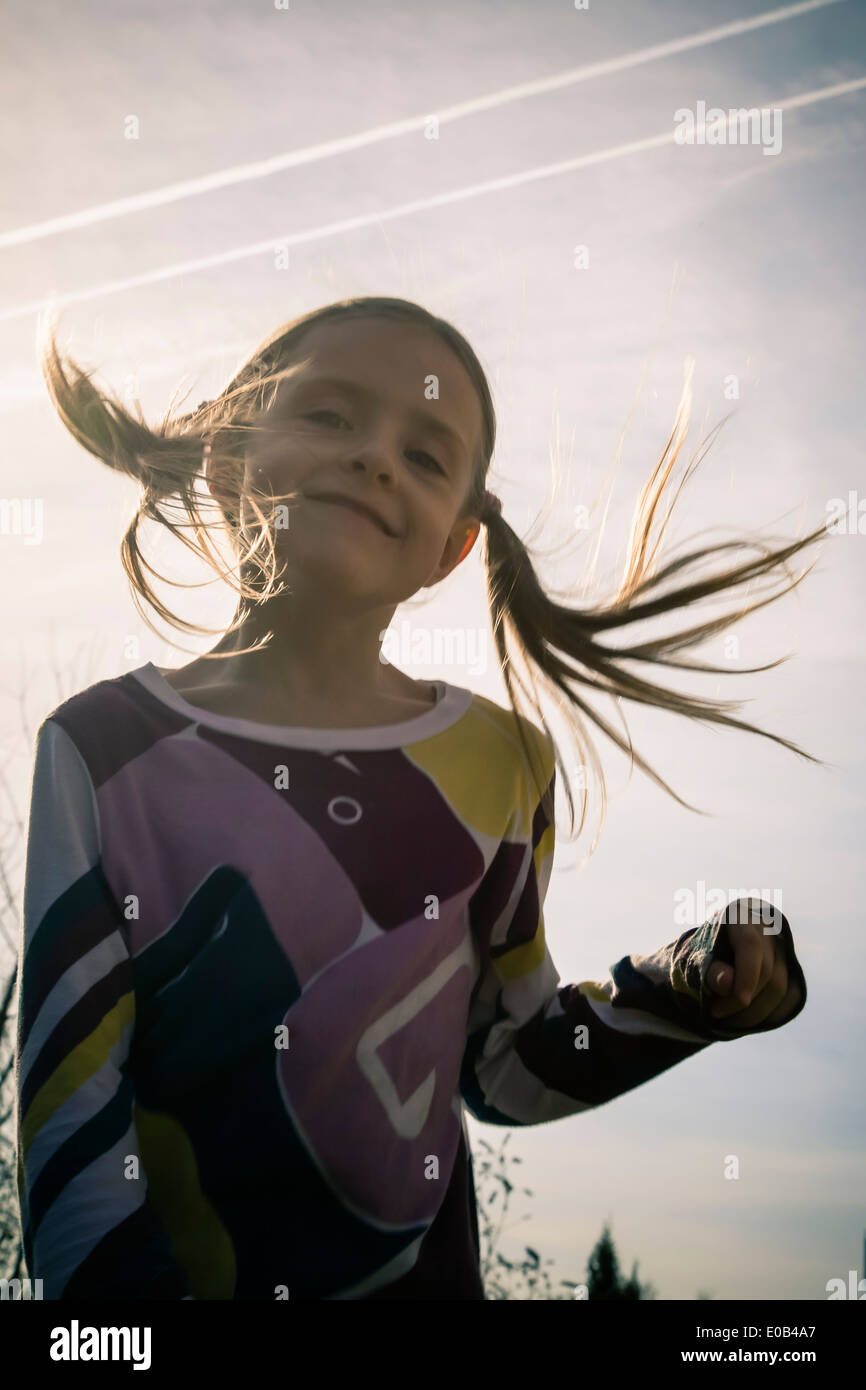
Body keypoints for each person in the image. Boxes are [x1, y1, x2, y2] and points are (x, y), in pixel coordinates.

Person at [15, 296, 823, 1300]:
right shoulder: (98, 748)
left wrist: (695, 980)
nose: (375, 458)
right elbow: (69, 1118)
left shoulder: (502, 764)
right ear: (229, 452)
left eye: (428, 455)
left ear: (452, 547)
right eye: (330, 416)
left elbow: (507, 1065)